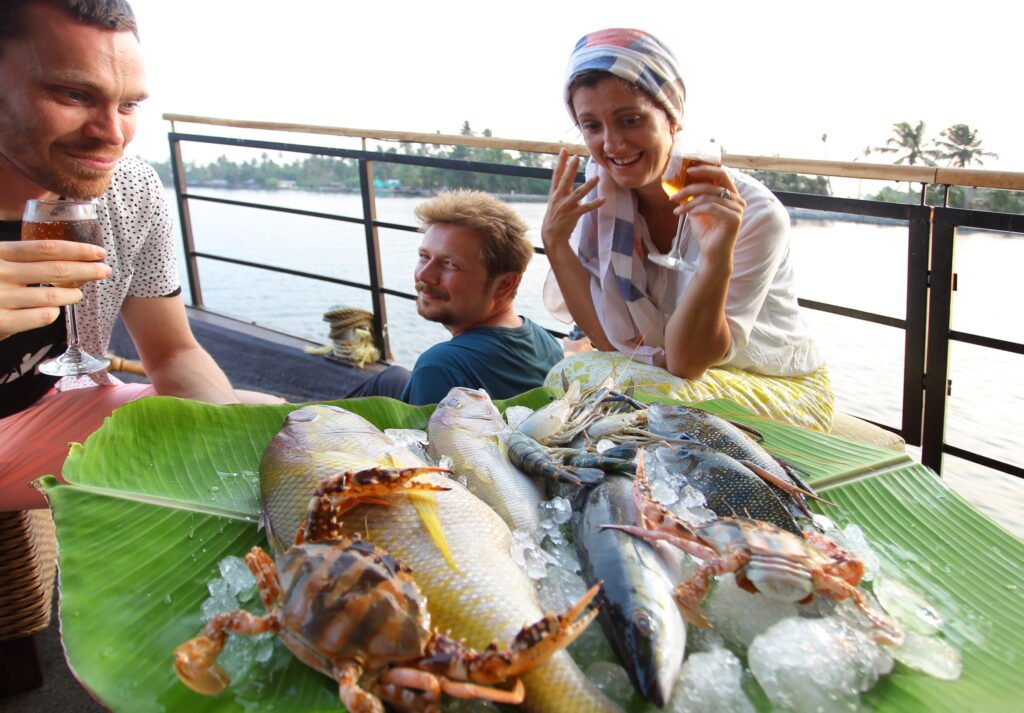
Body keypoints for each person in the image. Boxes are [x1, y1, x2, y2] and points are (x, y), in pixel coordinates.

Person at [0, 0, 281, 512]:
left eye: (128, 105)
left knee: (276, 428)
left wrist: (228, 455)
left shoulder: (127, 189)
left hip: (46, 410)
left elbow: (173, 353)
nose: (112, 136)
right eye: (72, 94)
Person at [542, 28, 834, 431]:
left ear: (672, 119)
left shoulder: (752, 213)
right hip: (676, 377)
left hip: (780, 386)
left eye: (631, 120)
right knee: (573, 374)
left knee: (610, 384)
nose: (612, 144)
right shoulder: (600, 199)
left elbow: (685, 362)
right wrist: (555, 242)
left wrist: (716, 259)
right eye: (592, 126)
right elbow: (608, 342)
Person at [349, 190, 563, 405]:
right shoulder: (545, 341)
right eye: (424, 257)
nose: (424, 274)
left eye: (450, 264)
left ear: (504, 285)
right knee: (392, 377)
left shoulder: (441, 367)